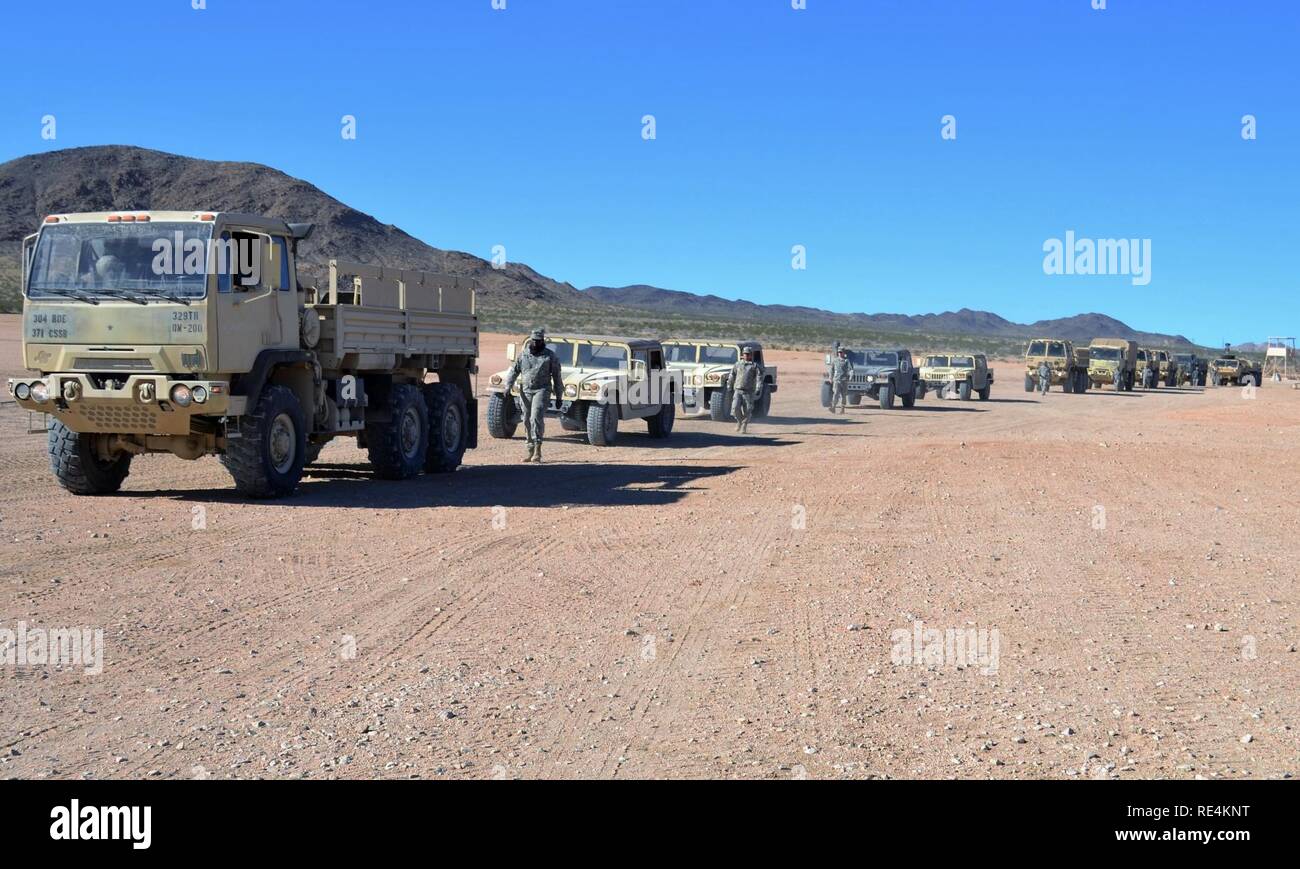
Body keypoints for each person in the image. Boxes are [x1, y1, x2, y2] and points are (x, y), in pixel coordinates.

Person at [503, 328, 564, 463]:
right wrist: (507, 387)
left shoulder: (550, 356)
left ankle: (538, 450)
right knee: (525, 419)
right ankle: (529, 448)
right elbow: (514, 371)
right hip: (525, 391)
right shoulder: (523, 355)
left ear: (543, 341)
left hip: (542, 390)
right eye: (533, 341)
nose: (535, 344)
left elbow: (557, 377)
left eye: (538, 341)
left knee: (535, 417)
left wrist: (559, 396)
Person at [729, 346, 764, 433]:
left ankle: (744, 425)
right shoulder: (737, 364)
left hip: (748, 392)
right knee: (735, 408)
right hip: (738, 390)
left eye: (748, 354)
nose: (746, 356)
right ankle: (739, 421)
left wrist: (758, 388)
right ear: (742, 355)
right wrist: (729, 385)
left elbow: (759, 378)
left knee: (748, 409)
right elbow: (732, 375)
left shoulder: (754, 366)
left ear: (751, 355)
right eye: (745, 354)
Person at [829, 347, 853, 413]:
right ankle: (833, 407)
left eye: (841, 352)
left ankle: (842, 408)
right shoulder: (835, 360)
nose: (839, 353)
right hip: (837, 380)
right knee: (836, 394)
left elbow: (850, 369)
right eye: (839, 352)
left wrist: (851, 376)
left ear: (843, 353)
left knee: (843, 395)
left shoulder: (846, 361)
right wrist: (830, 378)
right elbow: (831, 370)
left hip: (844, 380)